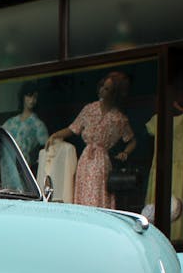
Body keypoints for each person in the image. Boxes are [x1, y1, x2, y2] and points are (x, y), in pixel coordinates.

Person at [46, 71, 136, 209]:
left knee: (99, 194)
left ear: (114, 93)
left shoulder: (118, 118)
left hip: (101, 162)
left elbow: (131, 140)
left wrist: (126, 152)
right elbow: (73, 128)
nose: (102, 91)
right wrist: (55, 135)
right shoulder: (90, 109)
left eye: (107, 89)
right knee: (83, 193)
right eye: (102, 87)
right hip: (85, 160)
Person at [3, 82, 49, 170]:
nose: (32, 100)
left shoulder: (38, 124)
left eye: (35, 97)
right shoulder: (12, 122)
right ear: (23, 97)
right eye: (29, 96)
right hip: (7, 161)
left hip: (23, 164)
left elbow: (46, 147)